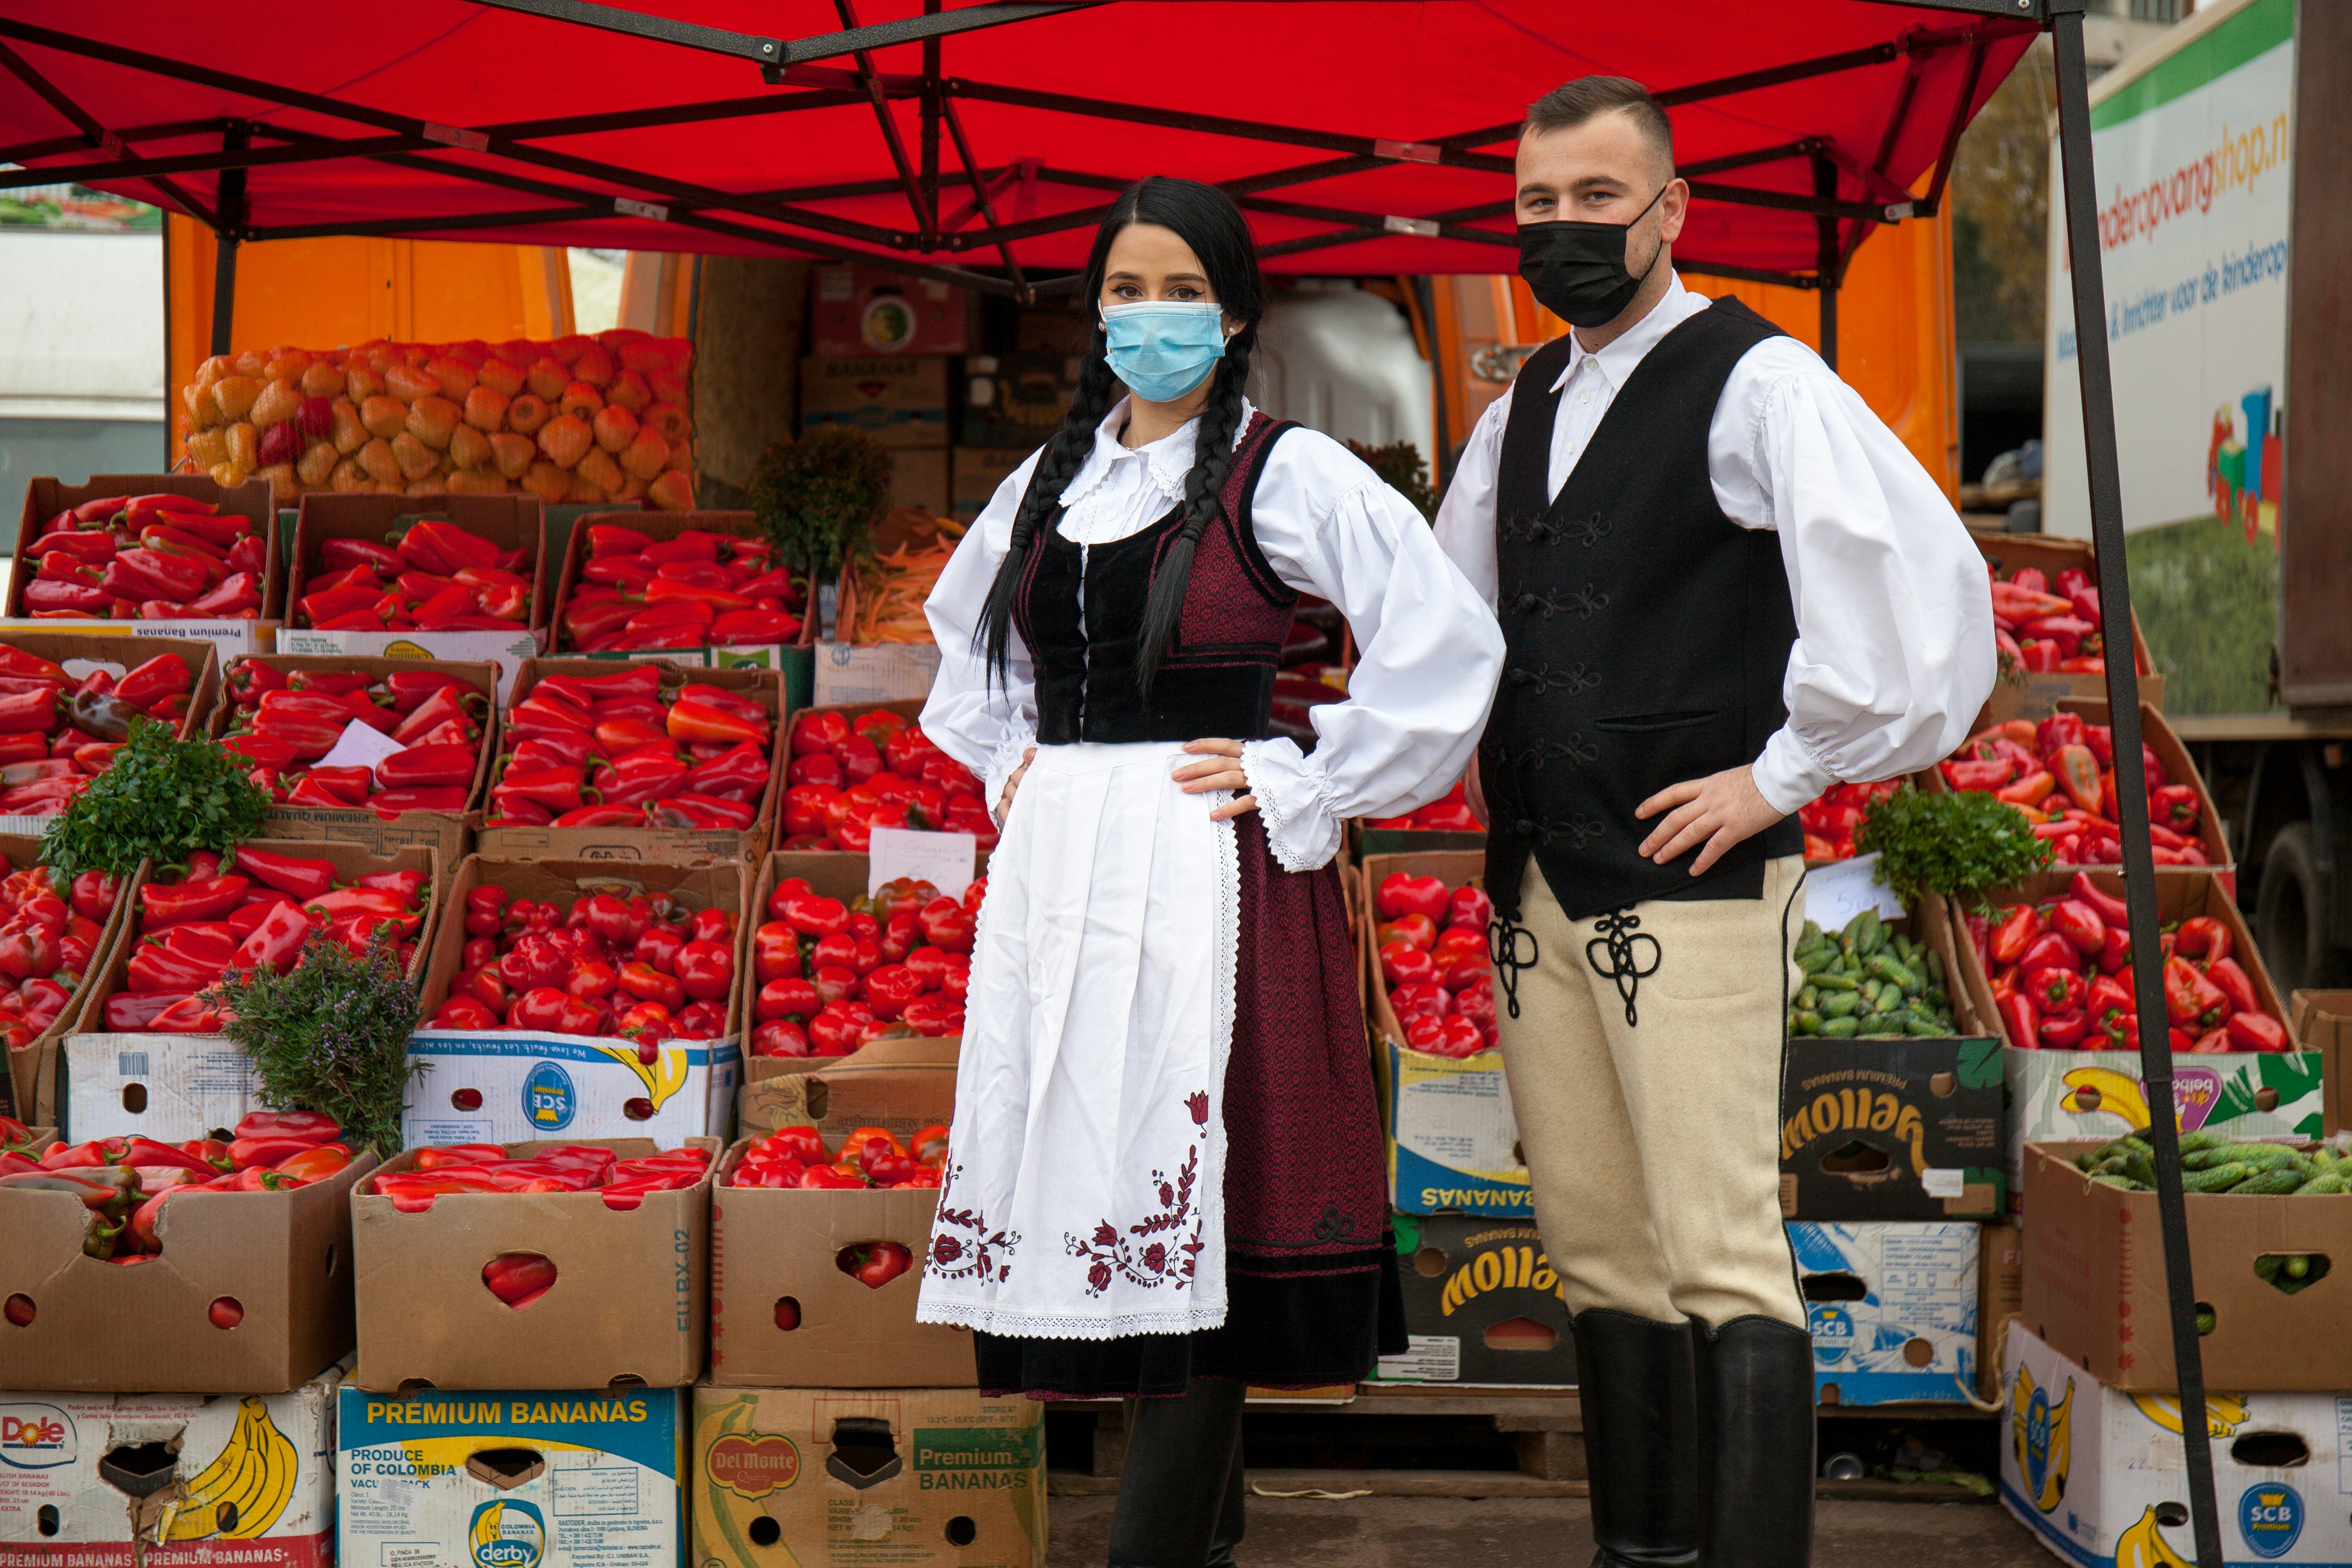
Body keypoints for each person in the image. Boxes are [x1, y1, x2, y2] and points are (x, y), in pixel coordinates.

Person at [1432, 77, 1994, 1568]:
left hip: (1689, 874)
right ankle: (1644, 1554)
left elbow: (1905, 595)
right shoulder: (1519, 408)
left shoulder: (1758, 380)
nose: (1561, 229)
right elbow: (1458, 617)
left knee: (1720, 1246)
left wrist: (1782, 774)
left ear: (1667, 210)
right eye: (1536, 203)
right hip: (1542, 875)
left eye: (1594, 201)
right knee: (1601, 1247)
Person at [916, 175, 1504, 1568]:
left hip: (1213, 882)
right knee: (1099, 1177)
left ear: (1234, 313)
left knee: (1199, 1198)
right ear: (1094, 310)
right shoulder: (1050, 476)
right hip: (1066, 885)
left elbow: (1444, 642)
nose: (1151, 316)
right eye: (1127, 289)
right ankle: (1201, 1533)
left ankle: (1153, 1547)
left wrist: (1299, 767)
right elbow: (965, 647)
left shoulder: (1282, 472)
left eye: (1183, 290)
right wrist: (1014, 763)